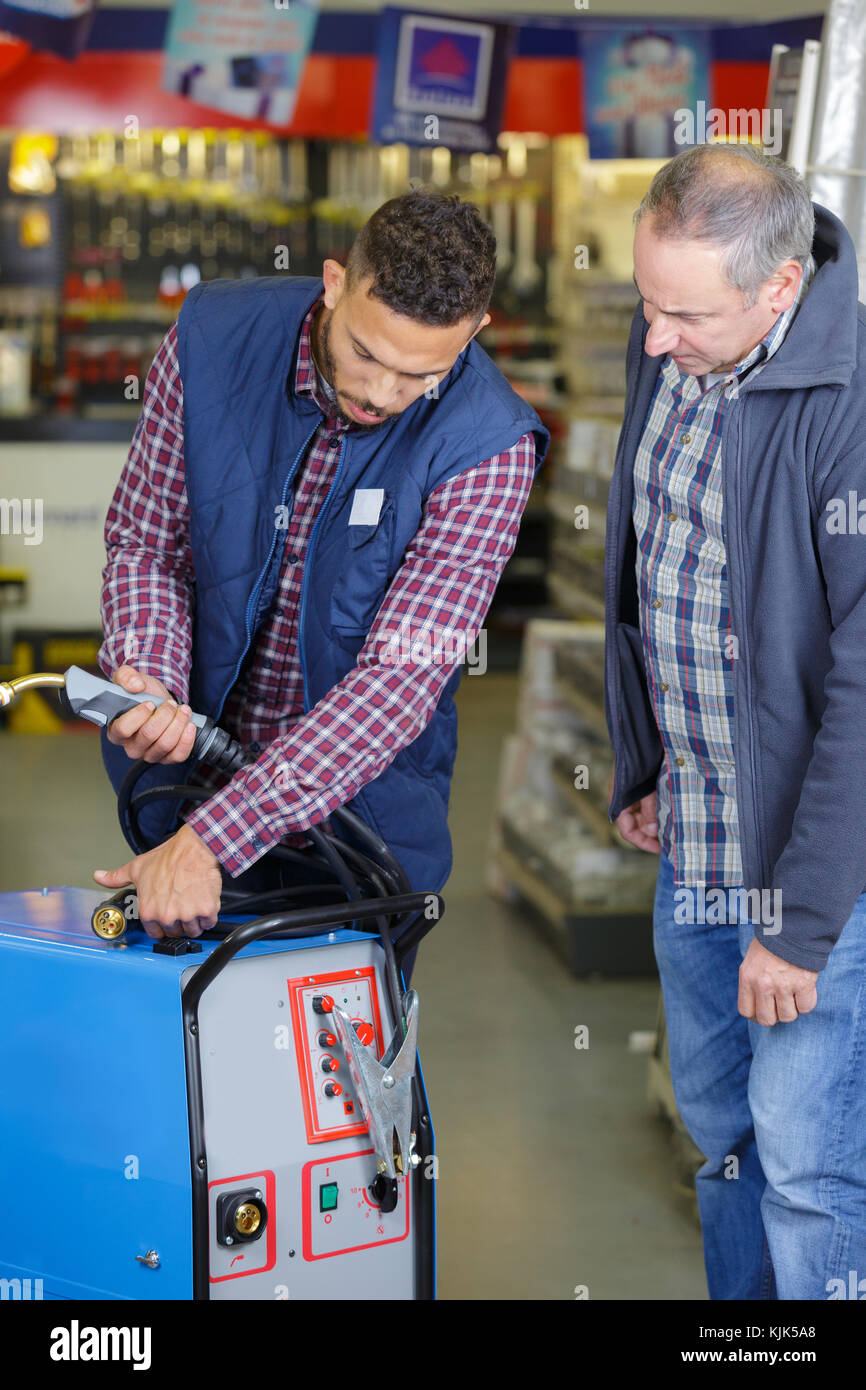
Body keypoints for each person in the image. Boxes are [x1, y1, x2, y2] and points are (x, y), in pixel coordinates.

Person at [94, 191, 549, 941]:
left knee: (346, 1057)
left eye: (420, 376)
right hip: (182, 800)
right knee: (191, 1043)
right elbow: (150, 542)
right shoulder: (212, 338)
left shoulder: (491, 444)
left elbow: (398, 683)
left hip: (357, 837)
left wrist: (219, 837)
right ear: (335, 283)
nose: (381, 393)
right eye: (366, 353)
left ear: (476, 331)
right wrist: (150, 674)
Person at [604, 141, 866, 1300]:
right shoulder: (668, 340)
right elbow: (657, 567)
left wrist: (801, 925)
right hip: (695, 841)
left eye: (683, 315)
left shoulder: (849, 401)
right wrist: (645, 760)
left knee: (810, 1168)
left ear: (779, 286)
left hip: (814, 876)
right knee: (719, 1141)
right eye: (644, 304)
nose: (654, 339)